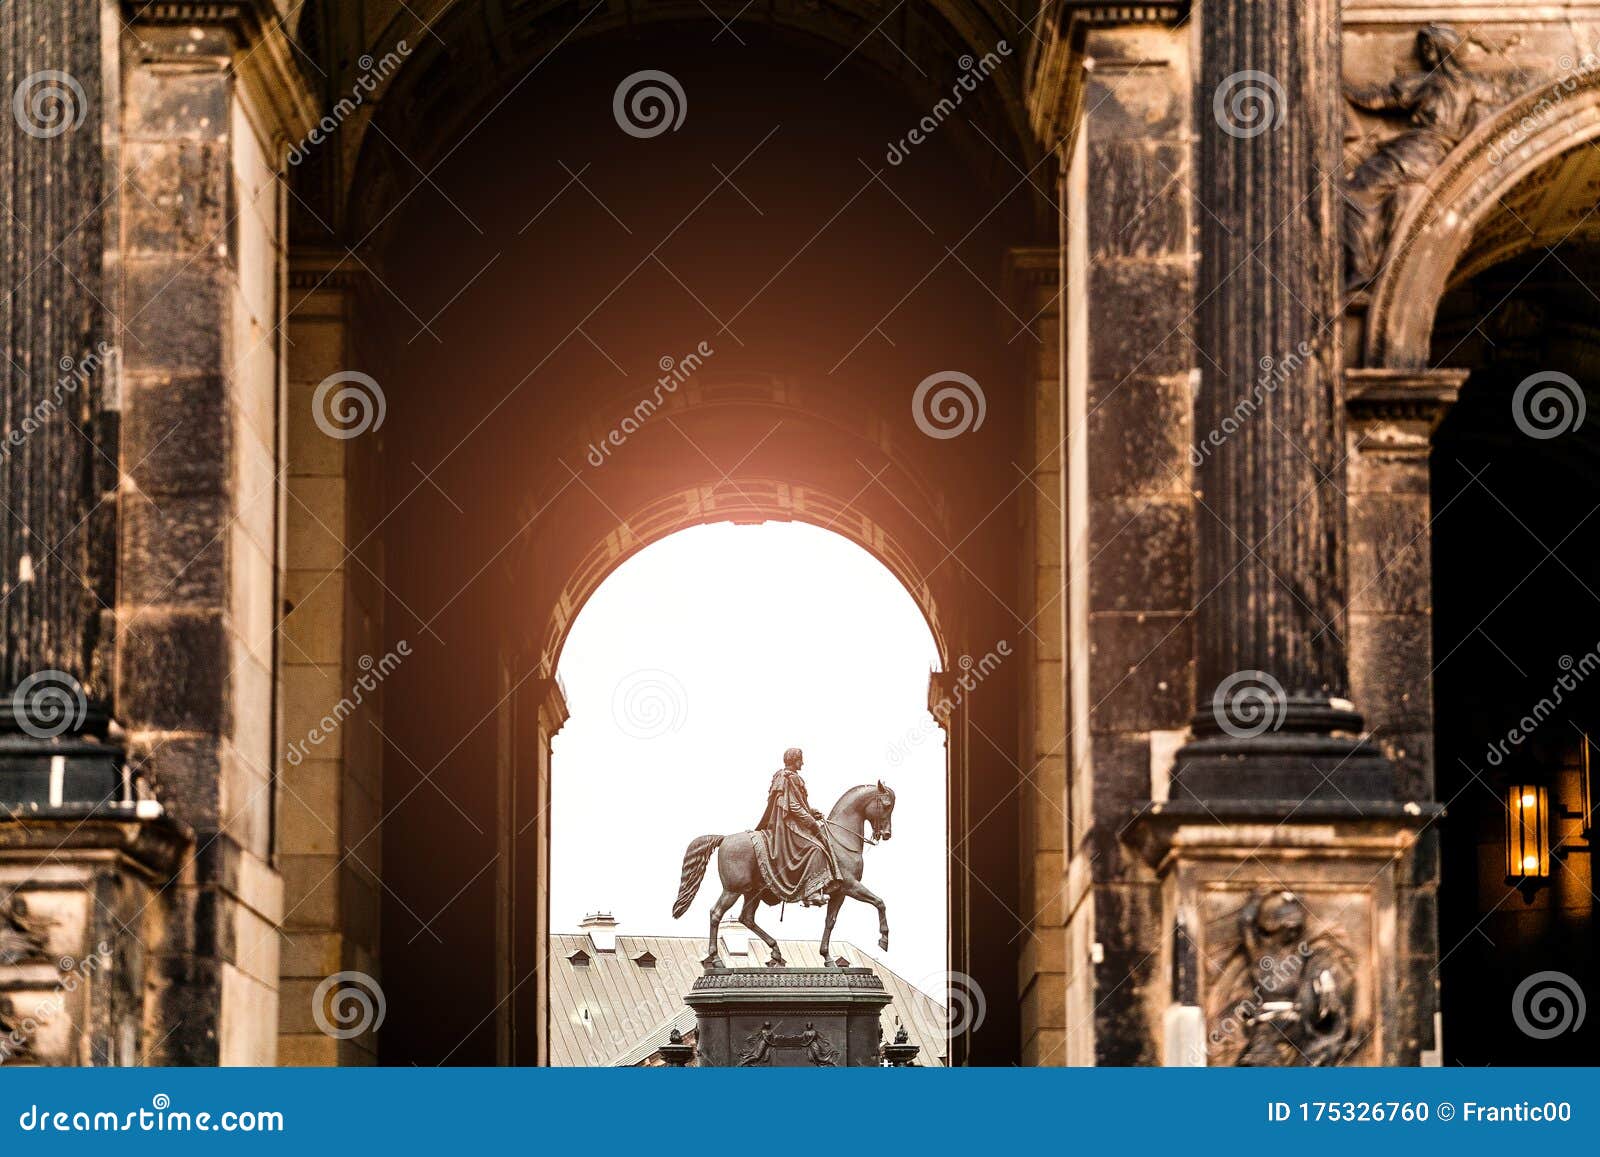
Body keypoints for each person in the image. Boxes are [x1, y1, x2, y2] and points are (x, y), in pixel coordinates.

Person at [753, 747, 842, 907]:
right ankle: (811, 892)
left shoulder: (787, 777)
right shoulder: (788, 777)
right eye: (800, 759)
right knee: (815, 848)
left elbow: (799, 803)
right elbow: (792, 806)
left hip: (791, 820)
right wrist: (810, 820)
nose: (803, 762)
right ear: (794, 760)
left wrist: (812, 812)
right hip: (787, 824)